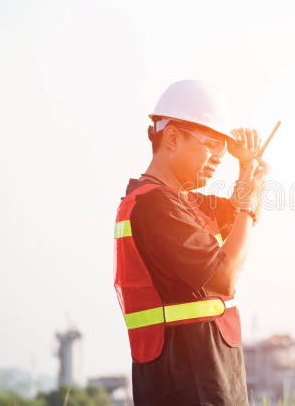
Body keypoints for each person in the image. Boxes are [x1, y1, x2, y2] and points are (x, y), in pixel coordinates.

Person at [113, 80, 268, 405]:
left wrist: (246, 171)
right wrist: (247, 205)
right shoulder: (155, 206)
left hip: (202, 377)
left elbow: (238, 219)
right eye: (210, 145)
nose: (216, 159)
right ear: (171, 138)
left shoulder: (183, 204)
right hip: (188, 383)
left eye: (221, 152)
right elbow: (224, 276)